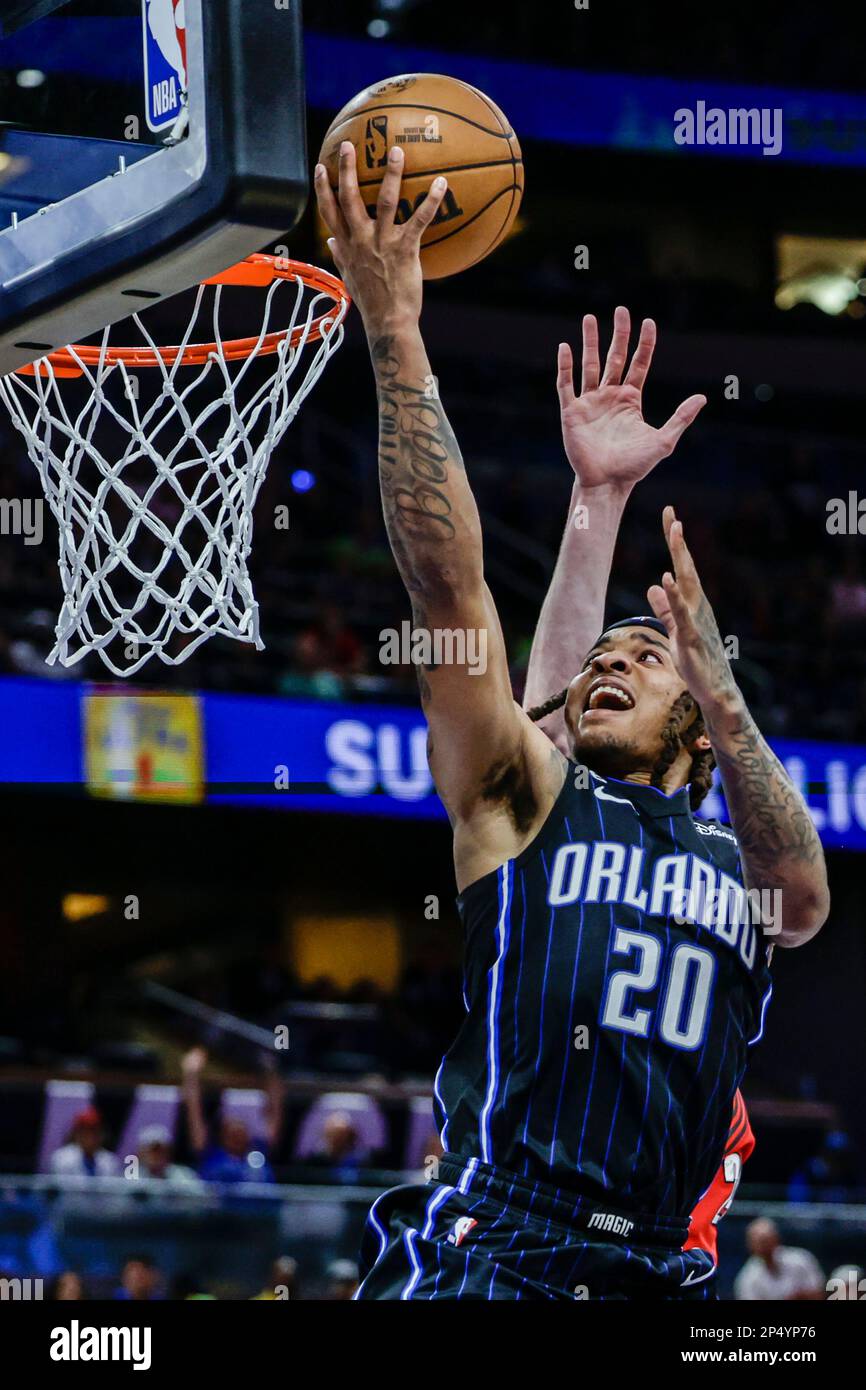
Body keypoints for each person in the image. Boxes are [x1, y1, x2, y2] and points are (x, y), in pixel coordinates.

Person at [315, 143, 830, 1302]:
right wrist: (397, 336)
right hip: (494, 1240)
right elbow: (452, 599)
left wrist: (713, 674)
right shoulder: (524, 808)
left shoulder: (741, 860)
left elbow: (801, 902)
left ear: (701, 719)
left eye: (643, 657)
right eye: (599, 655)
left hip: (657, 1269)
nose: (608, 663)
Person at [181, 1047, 281, 1184]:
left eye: (241, 1134)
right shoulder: (210, 1153)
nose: (237, 1138)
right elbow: (194, 1112)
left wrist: (271, 1073)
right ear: (223, 1137)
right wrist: (191, 1074)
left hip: (257, 1204)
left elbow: (275, 1114)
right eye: (233, 1135)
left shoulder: (259, 1153)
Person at [734, 1219, 824, 1300]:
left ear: (776, 1238)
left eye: (766, 1240)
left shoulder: (801, 1258)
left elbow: (820, 1293)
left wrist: (801, 1296)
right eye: (759, 1242)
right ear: (750, 1246)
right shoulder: (747, 1278)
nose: (764, 1246)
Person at [49, 1106, 121, 1178]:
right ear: (76, 1134)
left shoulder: (110, 1161)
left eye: (95, 1132)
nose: (90, 1137)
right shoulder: (61, 1158)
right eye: (85, 1132)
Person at [137, 1125, 202, 1189]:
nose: (156, 1156)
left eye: (161, 1150)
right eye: (153, 1150)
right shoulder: (132, 1177)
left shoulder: (184, 1176)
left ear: (169, 1152)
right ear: (140, 1153)